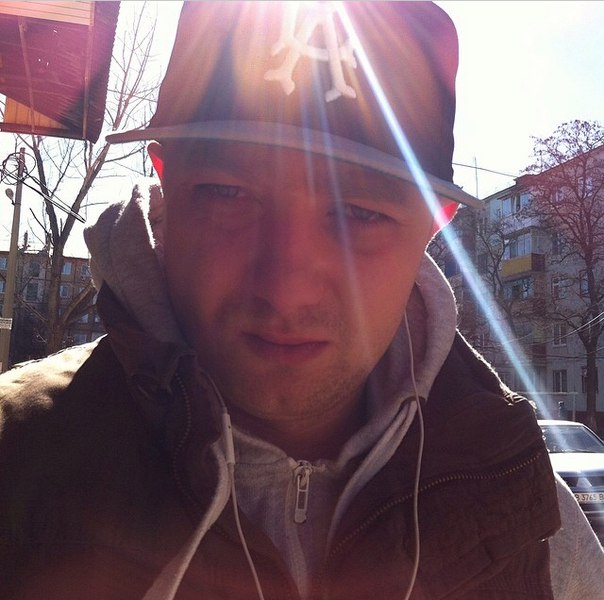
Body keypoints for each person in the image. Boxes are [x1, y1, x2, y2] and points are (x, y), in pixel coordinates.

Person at [0, 2, 602, 599]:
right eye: (226, 193)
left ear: (434, 222)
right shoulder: (17, 465)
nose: (286, 290)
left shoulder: (529, 523)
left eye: (361, 213)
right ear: (165, 176)